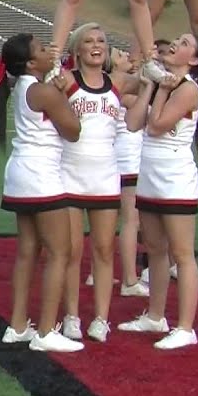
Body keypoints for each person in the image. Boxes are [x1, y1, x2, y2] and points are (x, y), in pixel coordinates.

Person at [0, 34, 83, 353]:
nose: (49, 51)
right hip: (41, 176)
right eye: (41, 49)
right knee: (59, 252)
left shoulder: (24, 87)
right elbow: (74, 130)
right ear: (30, 63)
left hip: (20, 174)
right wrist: (64, 94)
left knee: (28, 251)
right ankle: (47, 331)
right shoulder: (42, 91)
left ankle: (18, 325)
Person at [120, 33, 198, 350]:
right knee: (155, 249)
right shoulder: (164, 81)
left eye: (186, 42)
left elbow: (157, 125)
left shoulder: (188, 89)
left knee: (182, 254)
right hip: (150, 172)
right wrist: (150, 82)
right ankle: (155, 315)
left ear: (194, 60)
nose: (177, 42)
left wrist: (161, 87)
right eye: (178, 39)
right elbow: (133, 117)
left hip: (175, 177)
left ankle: (186, 327)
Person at [54, 24, 139, 343]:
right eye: (88, 41)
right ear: (77, 50)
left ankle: (101, 319)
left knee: (104, 250)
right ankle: (72, 316)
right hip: (70, 175)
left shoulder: (117, 82)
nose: (96, 45)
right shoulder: (67, 82)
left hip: (105, 176)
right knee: (73, 252)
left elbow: (147, 82)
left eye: (101, 41)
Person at [112, 47, 148, 297]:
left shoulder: (107, 85)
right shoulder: (121, 90)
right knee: (130, 221)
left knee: (111, 219)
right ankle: (129, 279)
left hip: (116, 160)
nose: (127, 57)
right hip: (127, 161)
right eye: (121, 55)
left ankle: (96, 271)